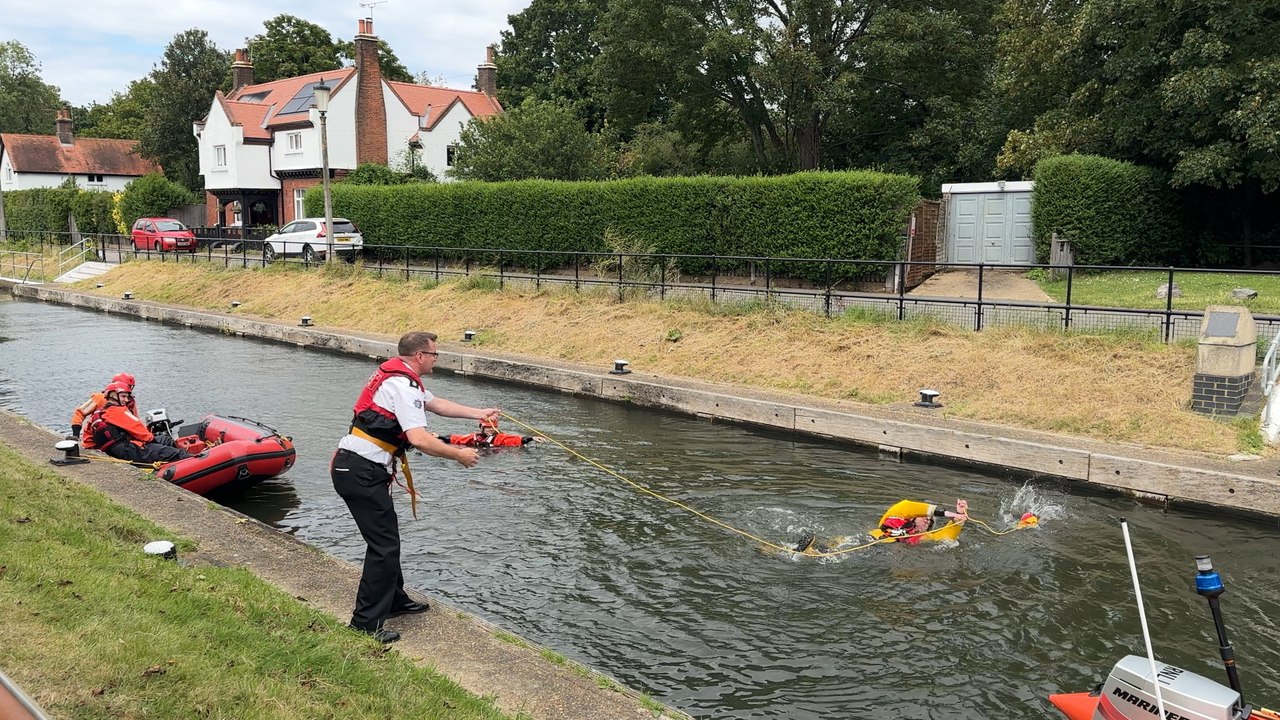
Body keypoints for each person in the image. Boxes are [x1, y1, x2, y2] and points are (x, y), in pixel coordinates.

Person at [332, 331, 500, 644]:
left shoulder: (401, 377)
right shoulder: (401, 383)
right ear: (420, 356)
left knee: (387, 539)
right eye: (435, 354)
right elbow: (419, 439)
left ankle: (394, 600)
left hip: (362, 469)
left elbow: (437, 404)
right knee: (383, 548)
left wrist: (480, 413)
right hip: (360, 472)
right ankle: (365, 624)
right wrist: (459, 455)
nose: (437, 359)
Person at [81, 382, 190, 464]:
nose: (126, 400)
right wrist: (152, 439)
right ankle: (187, 462)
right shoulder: (118, 411)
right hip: (127, 449)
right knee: (175, 452)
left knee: (164, 440)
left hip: (116, 449)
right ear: (113, 395)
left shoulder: (100, 413)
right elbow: (140, 431)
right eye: (123, 396)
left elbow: (87, 438)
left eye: (127, 397)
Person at [70, 372, 138, 440]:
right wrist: (76, 434)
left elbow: (136, 422)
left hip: (119, 437)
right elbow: (80, 413)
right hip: (99, 435)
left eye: (129, 387)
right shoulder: (100, 398)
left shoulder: (130, 403)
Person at [879, 499, 968, 546]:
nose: (927, 520)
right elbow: (905, 506)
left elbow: (946, 537)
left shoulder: (923, 538)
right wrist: (943, 513)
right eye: (924, 517)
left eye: (930, 521)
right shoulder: (895, 517)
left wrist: (959, 515)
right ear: (912, 518)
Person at [438, 417, 544, 447]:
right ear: (481, 427)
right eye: (487, 427)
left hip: (495, 455)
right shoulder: (474, 437)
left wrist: (531, 438)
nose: (490, 430)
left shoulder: (500, 438)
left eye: (492, 427)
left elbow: (516, 439)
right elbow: (455, 439)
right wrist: (439, 437)